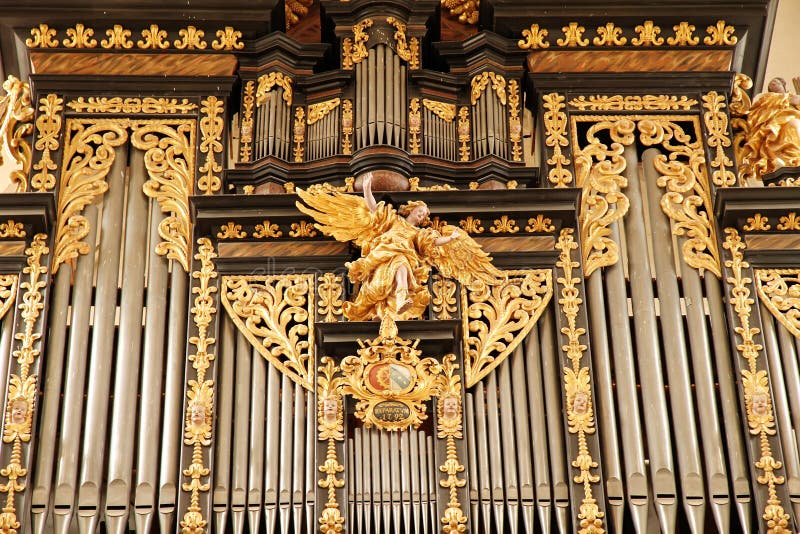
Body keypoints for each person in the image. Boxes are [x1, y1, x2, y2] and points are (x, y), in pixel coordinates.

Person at [296, 172, 502, 322]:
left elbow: (433, 242)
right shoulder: (392, 220)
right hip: (380, 258)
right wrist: (367, 189)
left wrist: (451, 239)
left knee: (402, 261)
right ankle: (389, 302)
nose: (421, 216)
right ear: (411, 210)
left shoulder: (418, 234)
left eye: (424, 215)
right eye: (419, 212)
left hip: (399, 257)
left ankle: (402, 292)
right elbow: (373, 209)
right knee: (393, 268)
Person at [740, 77, 800, 182]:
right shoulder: (766, 96)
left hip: (789, 119)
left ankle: (793, 159)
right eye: (772, 83)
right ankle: (777, 159)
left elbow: (797, 100)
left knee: (794, 127)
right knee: (772, 137)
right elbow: (757, 105)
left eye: (777, 82)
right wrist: (782, 99)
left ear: (783, 86)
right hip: (773, 122)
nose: (774, 84)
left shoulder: (791, 97)